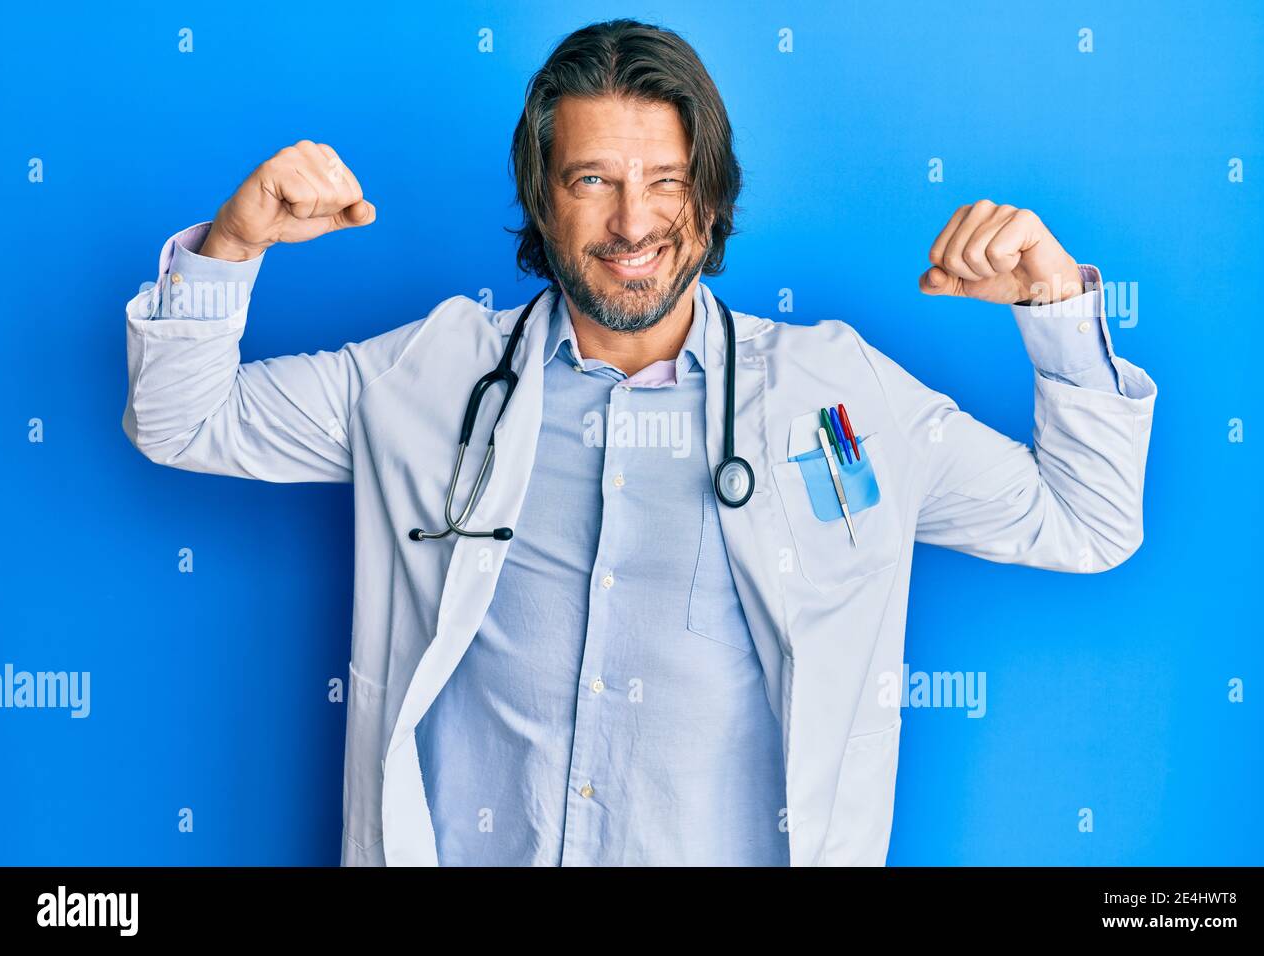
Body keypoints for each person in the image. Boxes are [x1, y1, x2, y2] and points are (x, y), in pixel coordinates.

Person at [121, 18, 1157, 866]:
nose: (632, 222)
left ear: (711, 194)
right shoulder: (428, 378)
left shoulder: (840, 399)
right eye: (591, 181)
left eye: (666, 180)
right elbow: (180, 420)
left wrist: (1056, 311)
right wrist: (234, 244)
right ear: (542, 196)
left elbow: (1088, 523)